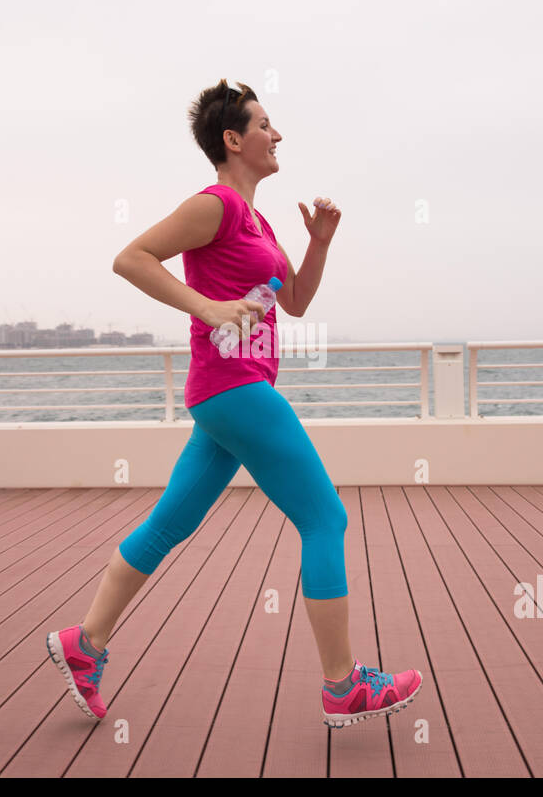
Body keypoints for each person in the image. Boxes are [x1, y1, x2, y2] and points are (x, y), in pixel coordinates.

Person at [46, 79, 422, 729]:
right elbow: (130, 258)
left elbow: (295, 300)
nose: (277, 136)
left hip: (231, 394)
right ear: (233, 139)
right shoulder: (214, 205)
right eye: (266, 125)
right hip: (233, 386)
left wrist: (320, 242)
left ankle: (85, 644)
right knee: (326, 519)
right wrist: (208, 306)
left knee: (169, 525)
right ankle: (344, 687)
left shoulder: (261, 221)